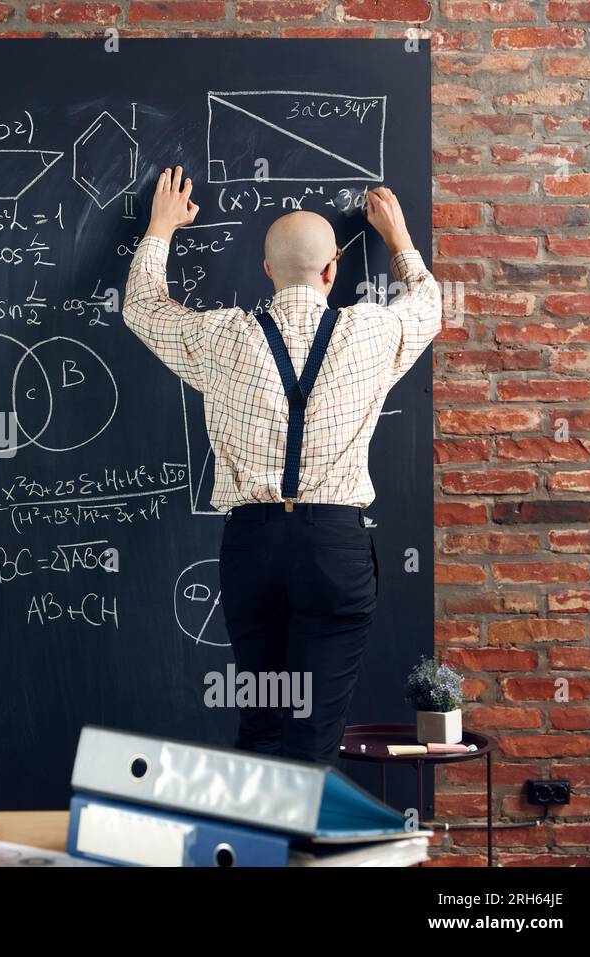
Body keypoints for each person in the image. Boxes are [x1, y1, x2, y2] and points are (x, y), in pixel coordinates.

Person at [123, 166, 442, 764]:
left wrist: (160, 229)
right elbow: (427, 306)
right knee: (313, 736)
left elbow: (142, 309)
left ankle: (256, 850)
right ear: (331, 272)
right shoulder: (373, 333)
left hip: (253, 548)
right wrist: (398, 240)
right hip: (333, 548)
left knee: (262, 723)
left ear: (267, 272)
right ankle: (301, 852)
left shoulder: (223, 337)